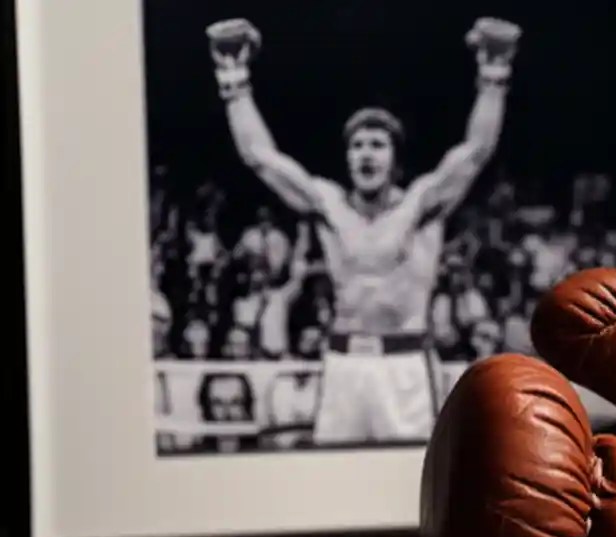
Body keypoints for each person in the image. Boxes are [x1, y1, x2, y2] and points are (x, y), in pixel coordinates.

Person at [206, 16, 521, 445]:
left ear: (395, 157)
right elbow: (260, 156)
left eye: (377, 144)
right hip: (343, 365)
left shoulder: (421, 204)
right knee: (332, 494)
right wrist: (233, 78)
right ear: (347, 157)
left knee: (408, 493)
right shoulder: (327, 204)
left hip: (405, 366)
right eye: (357, 145)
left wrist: (493, 74)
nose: (365, 154)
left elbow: (475, 152)